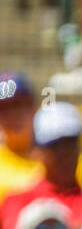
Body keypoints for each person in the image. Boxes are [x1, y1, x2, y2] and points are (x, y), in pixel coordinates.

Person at [0, 103, 82, 229]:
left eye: (70, 143)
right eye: (55, 146)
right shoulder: (19, 199)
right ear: (37, 150)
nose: (65, 154)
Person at [0, 72, 43, 212]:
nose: (13, 115)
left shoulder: (58, 159)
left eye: (19, 105)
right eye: (5, 108)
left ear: (34, 109)